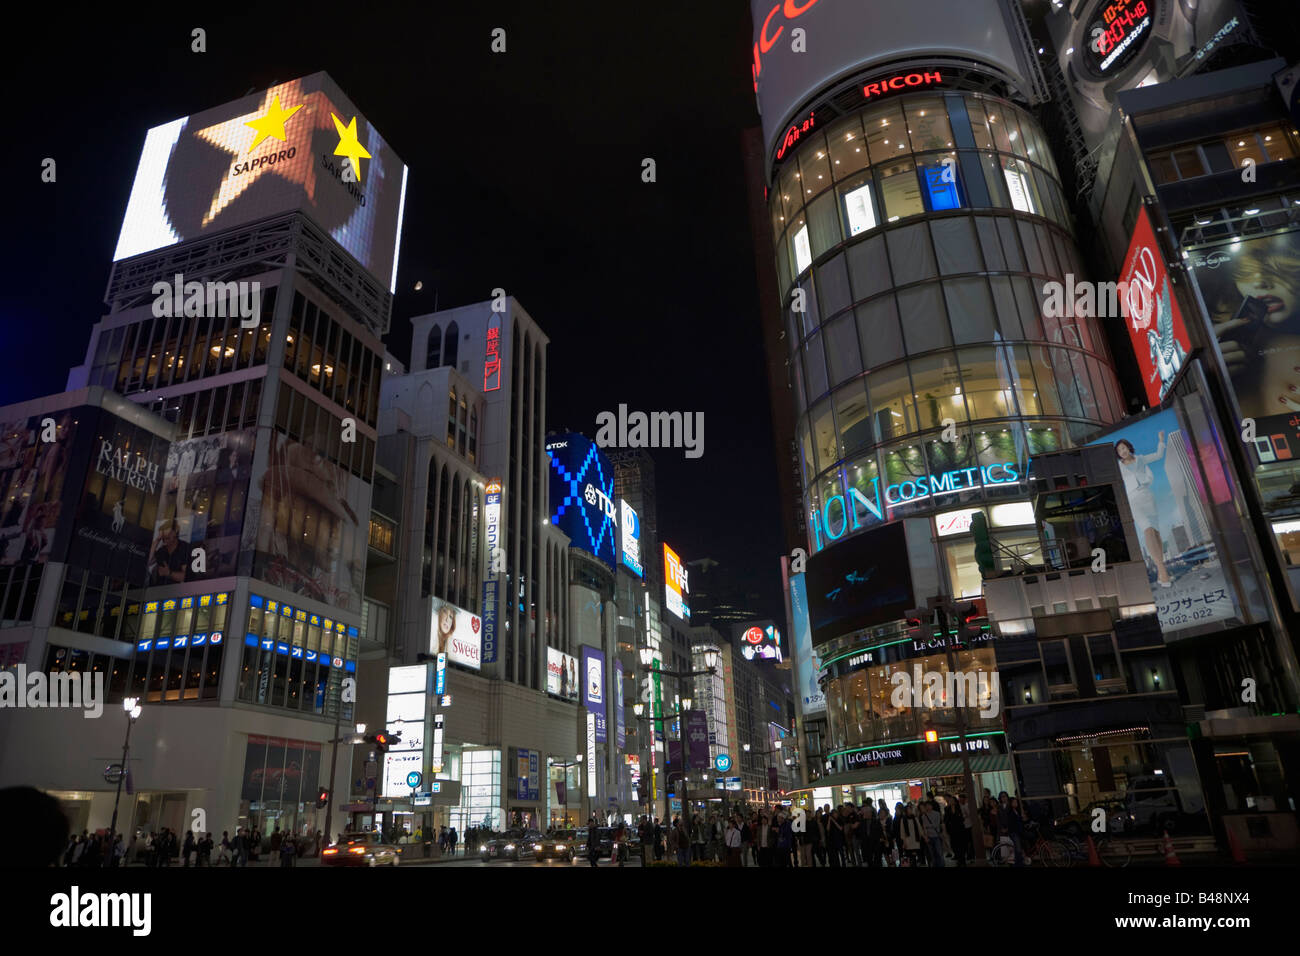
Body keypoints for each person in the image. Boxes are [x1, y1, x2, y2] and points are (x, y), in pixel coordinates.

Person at [1115, 434, 1173, 587]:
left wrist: (1160, 440)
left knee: (1156, 532)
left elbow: (1159, 455)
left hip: (1148, 497)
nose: (1122, 451)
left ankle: (1161, 573)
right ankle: (1163, 571)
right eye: (1119, 450)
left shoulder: (1140, 459)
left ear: (1128, 447)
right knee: (1147, 530)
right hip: (1133, 500)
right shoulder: (1118, 467)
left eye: (1123, 447)